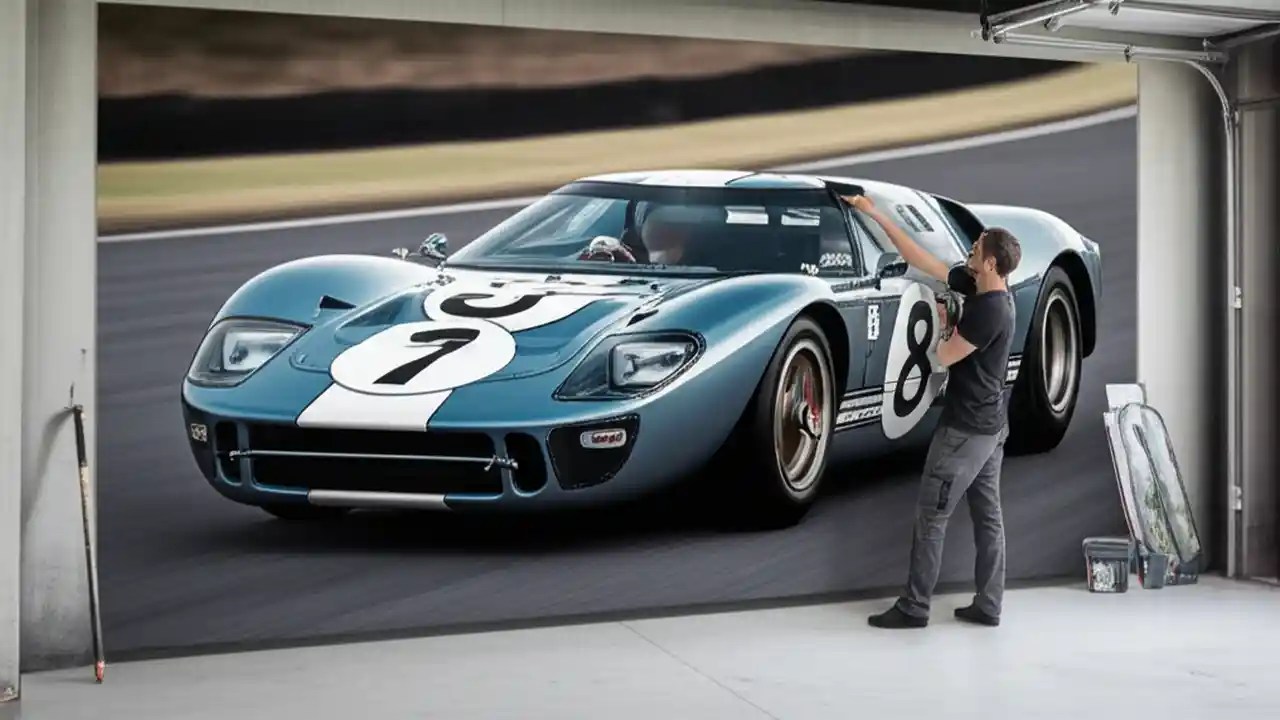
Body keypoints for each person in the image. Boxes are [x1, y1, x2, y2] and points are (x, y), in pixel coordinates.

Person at [841, 193, 1022, 629]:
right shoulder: (983, 290)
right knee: (988, 518)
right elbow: (919, 258)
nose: (970, 252)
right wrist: (874, 214)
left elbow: (944, 355)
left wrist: (945, 322)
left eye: (977, 250)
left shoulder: (988, 312)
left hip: (965, 431)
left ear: (992, 265)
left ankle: (915, 606)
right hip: (992, 427)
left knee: (932, 517)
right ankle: (989, 604)